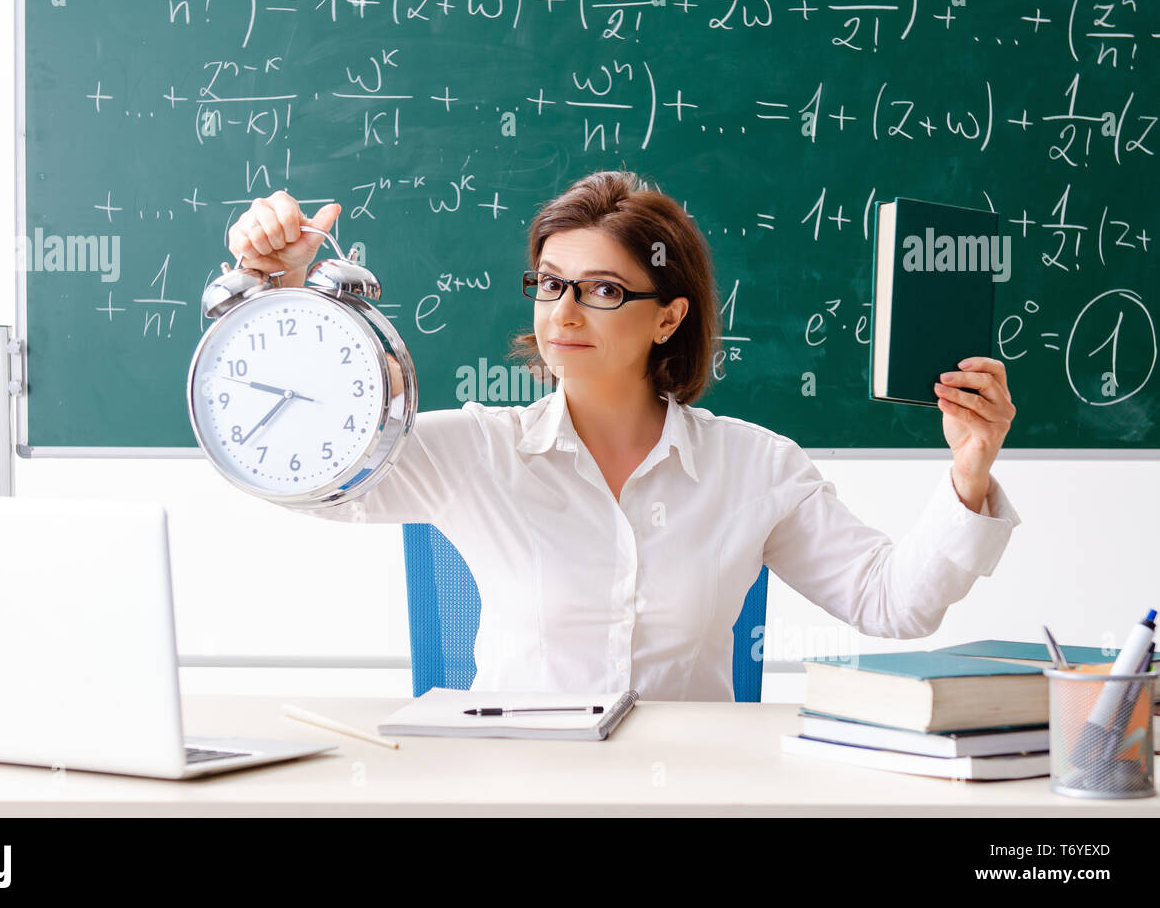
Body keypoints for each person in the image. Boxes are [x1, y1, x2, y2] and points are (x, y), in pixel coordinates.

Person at [227, 170, 1020, 701]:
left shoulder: (754, 467)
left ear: (668, 315)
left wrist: (970, 472)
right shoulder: (476, 450)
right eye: (549, 284)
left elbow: (892, 604)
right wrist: (280, 294)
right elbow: (310, 481)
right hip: (516, 794)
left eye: (602, 289)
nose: (563, 313)